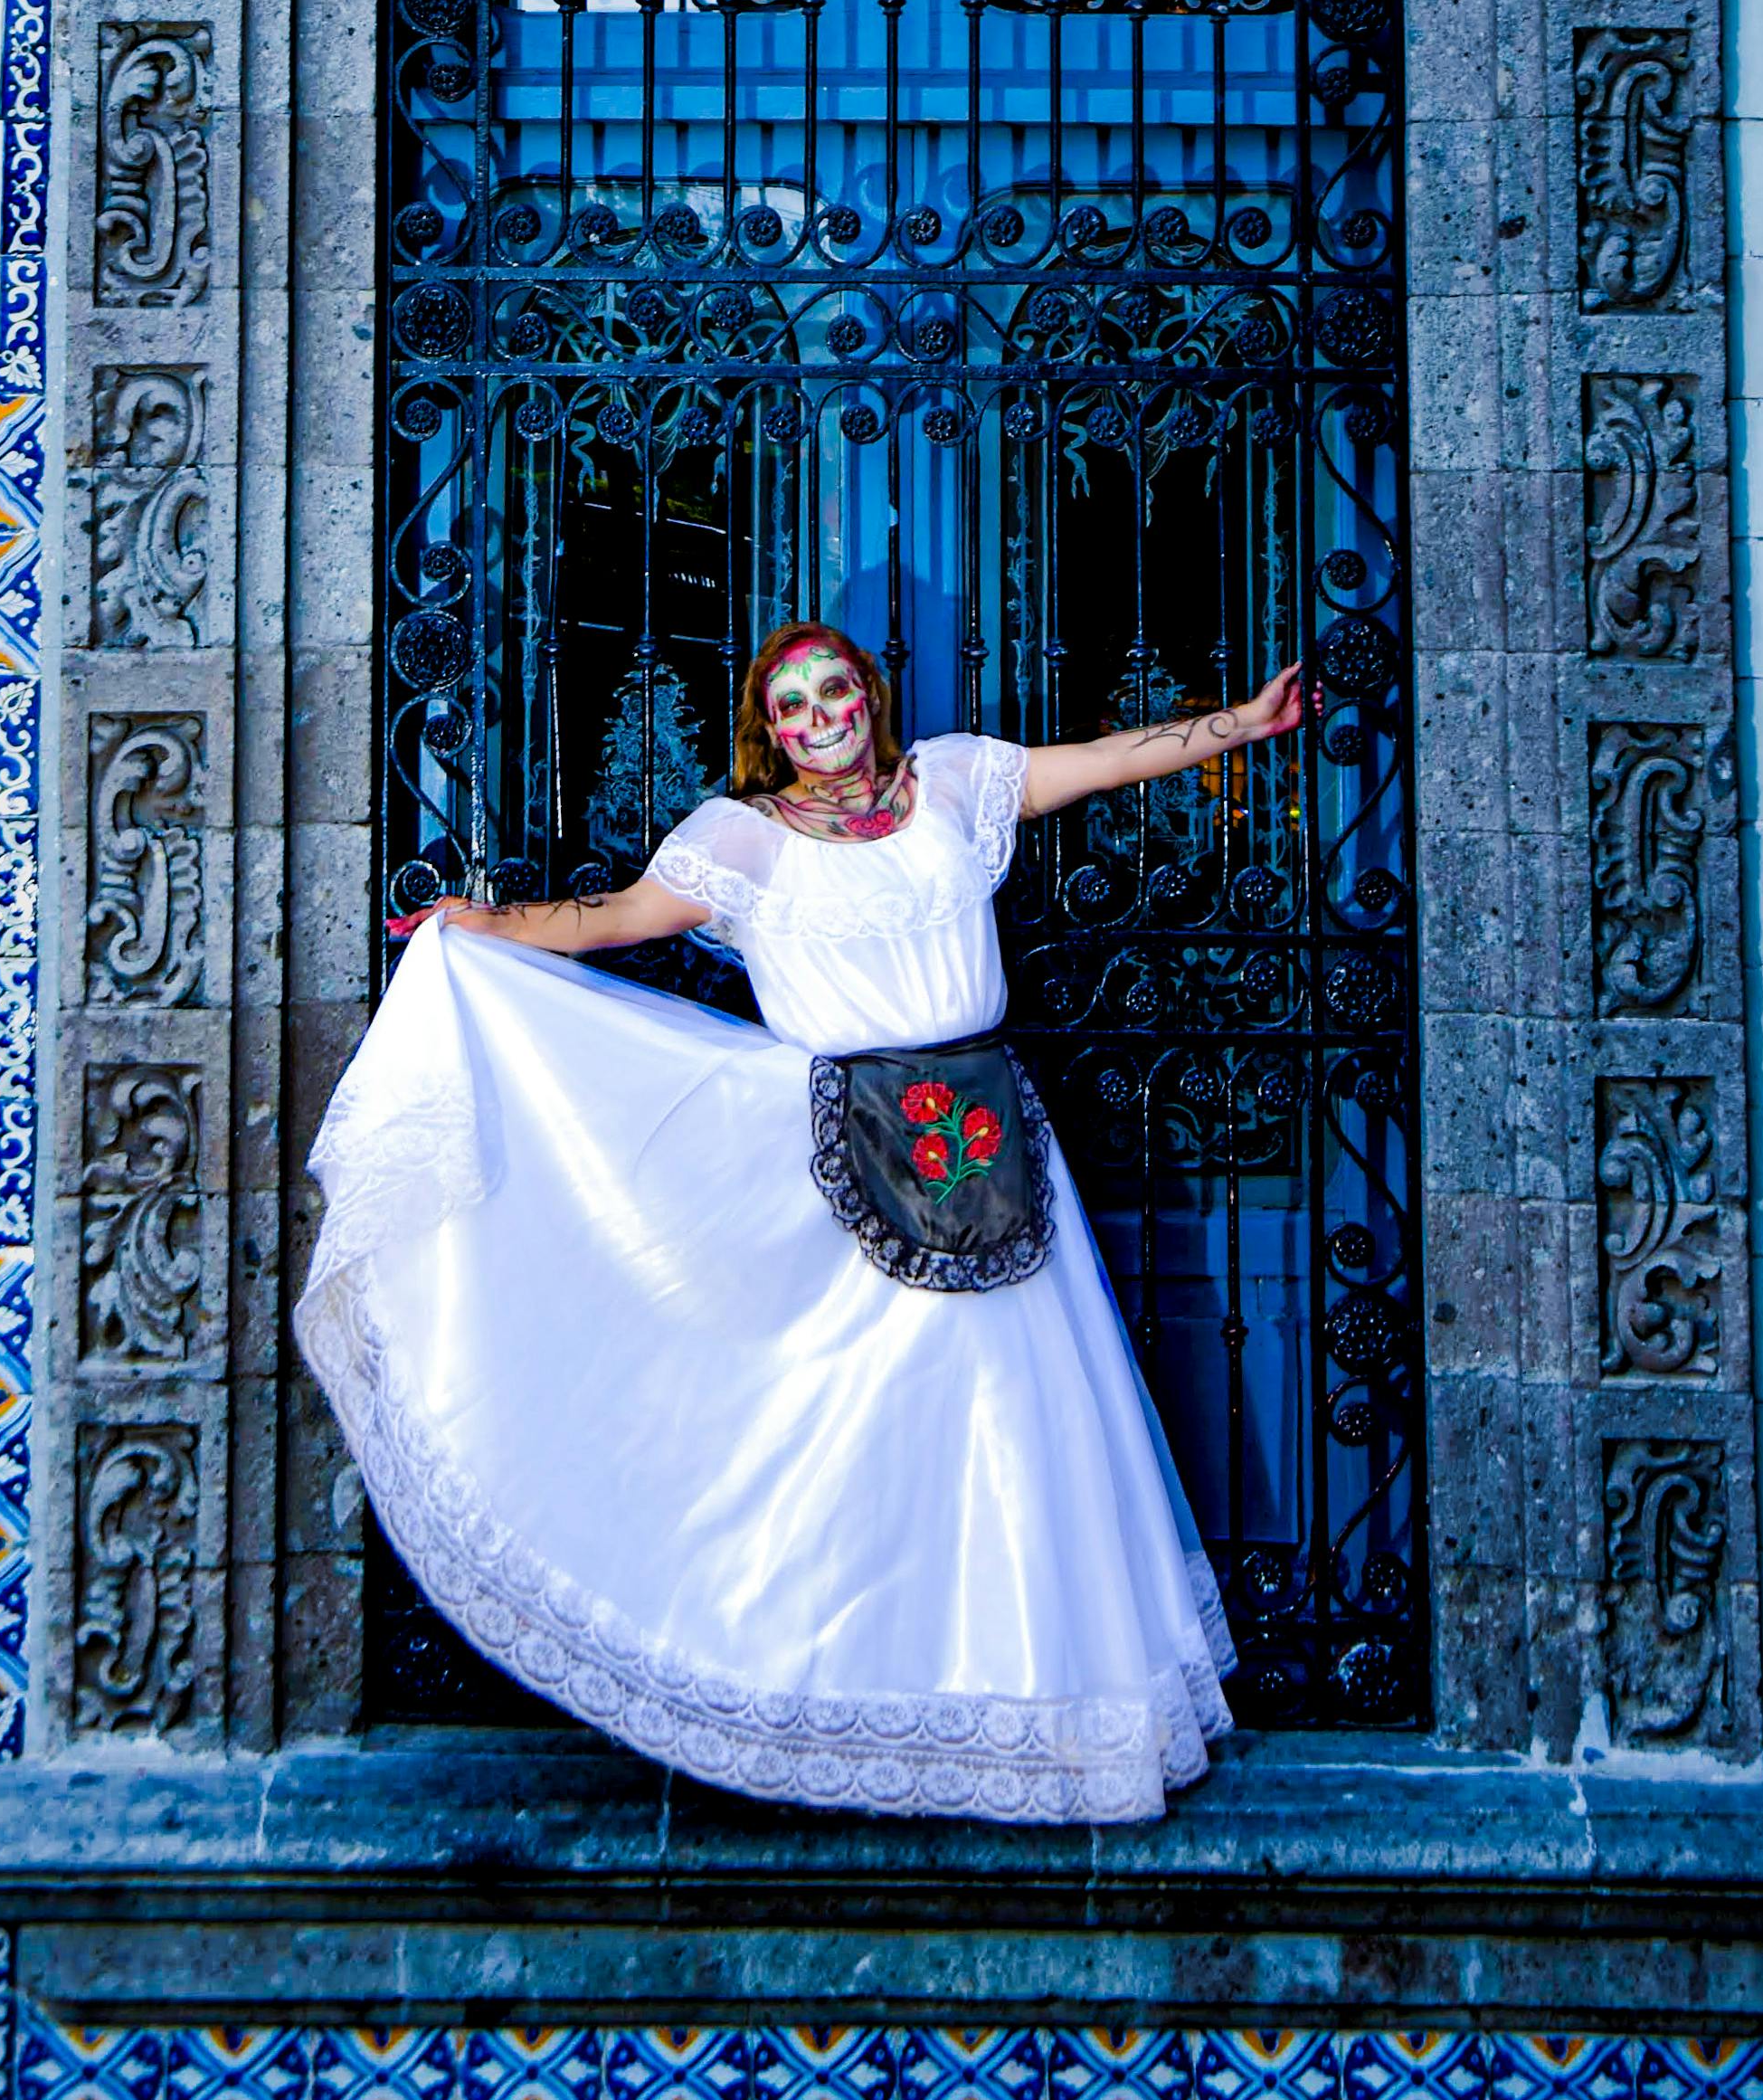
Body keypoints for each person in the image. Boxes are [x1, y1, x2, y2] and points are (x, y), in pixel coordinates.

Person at [296, 623, 1304, 1822]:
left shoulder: (958, 783)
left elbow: (1098, 757)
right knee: (853, 1436)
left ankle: (1035, 1705)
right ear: (767, 728)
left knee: (1011, 1423)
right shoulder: (741, 840)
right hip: (836, 1159)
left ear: (868, 696)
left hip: (986, 1148)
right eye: (790, 703)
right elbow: (612, 919)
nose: (818, 712)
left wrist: (1238, 725)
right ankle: (841, 1696)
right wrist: (481, 928)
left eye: (834, 688)